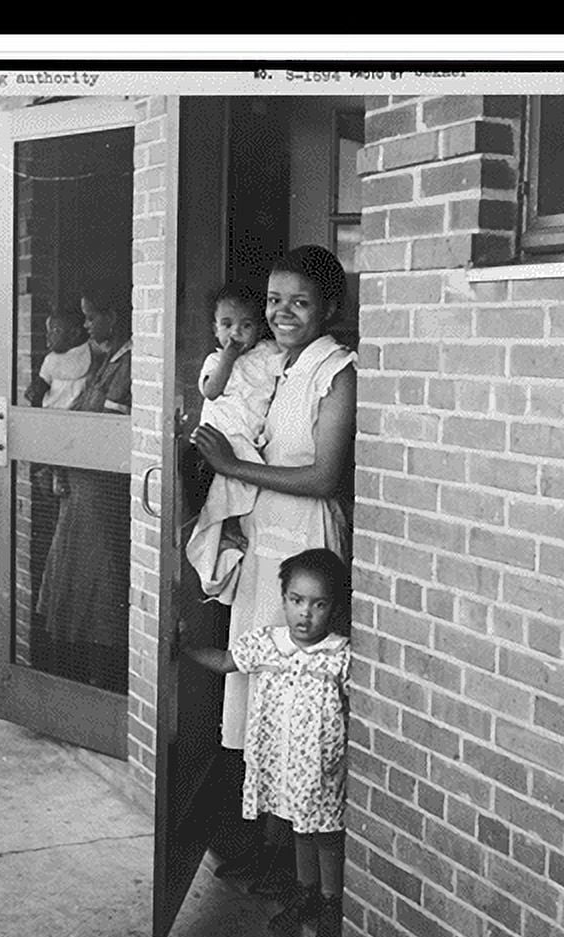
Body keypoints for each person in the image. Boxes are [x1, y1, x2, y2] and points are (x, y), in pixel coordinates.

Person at [193, 245, 357, 893]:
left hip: (306, 547)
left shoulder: (336, 371)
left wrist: (233, 471)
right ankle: (269, 847)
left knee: (300, 706)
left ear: (329, 309)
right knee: (262, 696)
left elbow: (322, 476)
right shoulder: (270, 363)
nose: (283, 313)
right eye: (273, 301)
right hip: (266, 540)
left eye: (300, 302)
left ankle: (302, 872)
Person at [182, 548, 351, 937]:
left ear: (334, 608)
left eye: (318, 604)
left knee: (325, 835)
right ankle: (305, 894)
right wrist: (184, 647)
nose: (305, 614)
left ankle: (331, 904)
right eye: (296, 601)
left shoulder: (340, 655)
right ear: (284, 599)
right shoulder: (268, 644)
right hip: (284, 766)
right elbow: (225, 661)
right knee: (299, 830)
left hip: (320, 770)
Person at [36, 280, 132, 689]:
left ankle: (100, 682)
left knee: (98, 586)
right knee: (73, 581)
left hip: (100, 494)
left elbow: (103, 429)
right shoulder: (104, 358)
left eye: (92, 317)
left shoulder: (128, 363)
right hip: (80, 490)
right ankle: (73, 680)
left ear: (115, 315)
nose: (87, 325)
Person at [185, 284, 281, 604]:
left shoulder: (267, 355)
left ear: (259, 328)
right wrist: (228, 356)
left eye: (246, 325)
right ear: (215, 329)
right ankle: (221, 544)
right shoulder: (214, 361)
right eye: (227, 325)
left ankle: (231, 537)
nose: (235, 333)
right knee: (216, 500)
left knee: (243, 494)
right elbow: (212, 391)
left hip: (246, 445)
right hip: (215, 442)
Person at [25, 309, 92, 410]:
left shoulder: (91, 353)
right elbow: (41, 387)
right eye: (48, 331)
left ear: (74, 333)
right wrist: (34, 391)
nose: (48, 336)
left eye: (55, 331)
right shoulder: (51, 359)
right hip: (52, 412)